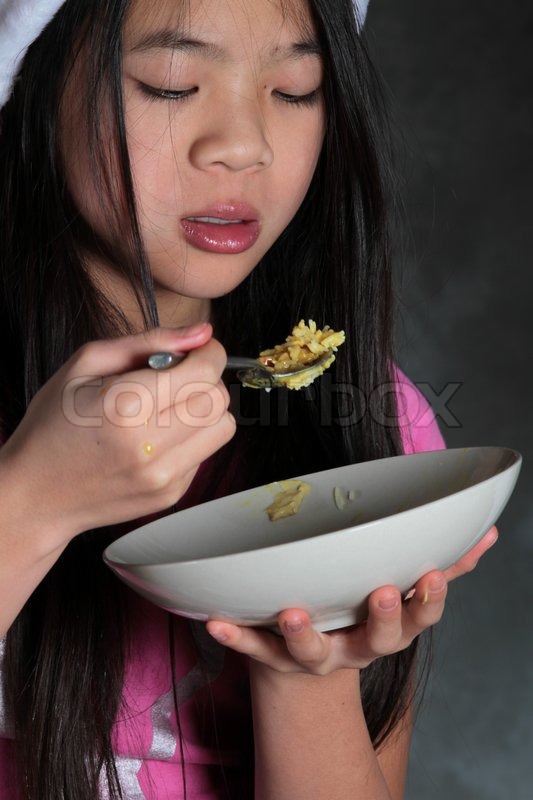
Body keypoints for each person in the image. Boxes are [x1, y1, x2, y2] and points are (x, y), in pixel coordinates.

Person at [0, 0, 498, 798]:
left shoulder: (371, 422)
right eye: (170, 84)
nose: (244, 146)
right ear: (30, 77)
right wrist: (30, 502)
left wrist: (310, 671)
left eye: (295, 89)